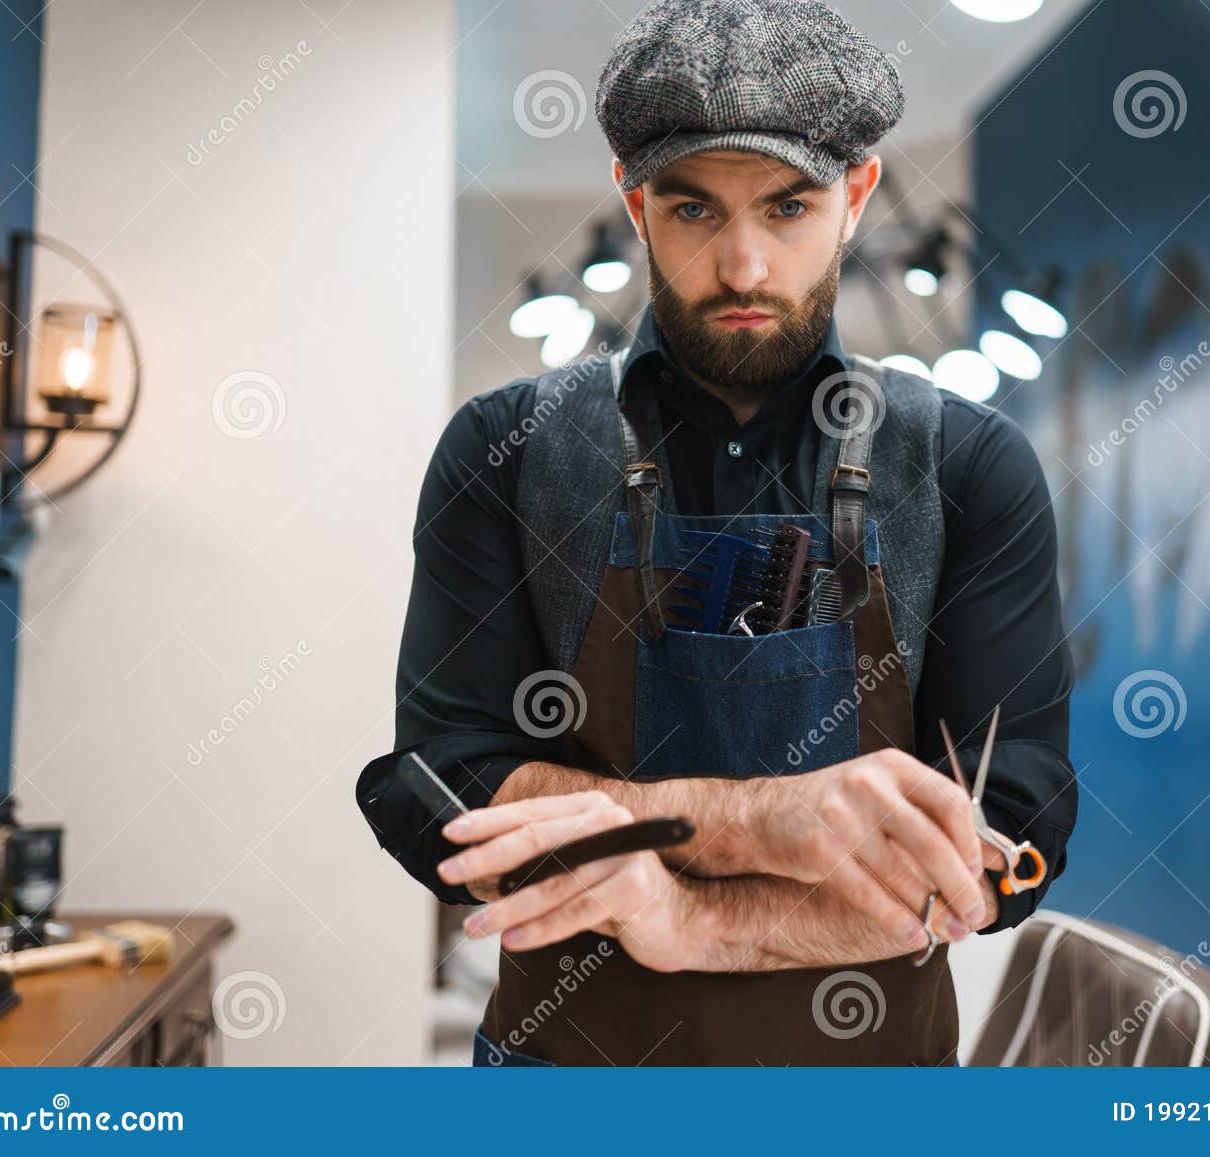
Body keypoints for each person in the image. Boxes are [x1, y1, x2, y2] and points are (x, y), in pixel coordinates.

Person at [357, 0, 1077, 1066]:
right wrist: (769, 818)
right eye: (694, 209)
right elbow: (439, 785)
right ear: (634, 201)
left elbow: (1007, 830)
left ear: (857, 196)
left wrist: (699, 917)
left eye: (788, 208)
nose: (743, 267)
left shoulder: (966, 467)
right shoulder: (509, 452)